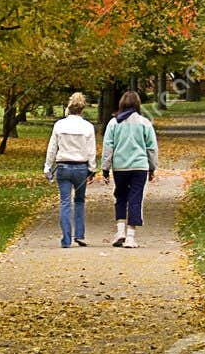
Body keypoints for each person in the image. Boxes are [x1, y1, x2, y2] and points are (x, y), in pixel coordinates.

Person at [101, 90, 158, 247]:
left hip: (120, 167)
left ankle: (120, 232)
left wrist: (105, 168)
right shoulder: (144, 123)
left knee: (120, 197)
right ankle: (131, 236)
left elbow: (108, 147)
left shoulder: (114, 123)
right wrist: (152, 168)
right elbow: (151, 148)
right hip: (139, 167)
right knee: (135, 199)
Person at [43, 90, 97, 247]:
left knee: (65, 201)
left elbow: (52, 148)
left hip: (63, 167)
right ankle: (79, 234)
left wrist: (47, 167)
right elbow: (91, 150)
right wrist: (92, 169)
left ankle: (66, 239)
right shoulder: (87, 127)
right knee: (79, 201)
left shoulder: (59, 125)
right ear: (82, 108)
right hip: (81, 167)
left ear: (69, 107)